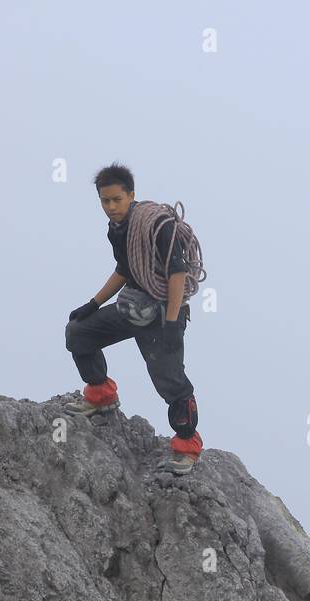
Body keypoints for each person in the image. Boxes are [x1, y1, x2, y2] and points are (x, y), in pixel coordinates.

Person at [64, 163, 203, 475]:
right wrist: (93, 303)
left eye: (117, 199)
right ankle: (101, 396)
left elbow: (176, 274)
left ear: (131, 195)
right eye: (105, 201)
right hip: (135, 304)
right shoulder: (118, 230)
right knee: (78, 333)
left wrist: (170, 325)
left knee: (171, 383)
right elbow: (126, 269)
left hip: (166, 310)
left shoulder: (157, 224)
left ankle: (187, 446)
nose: (111, 207)